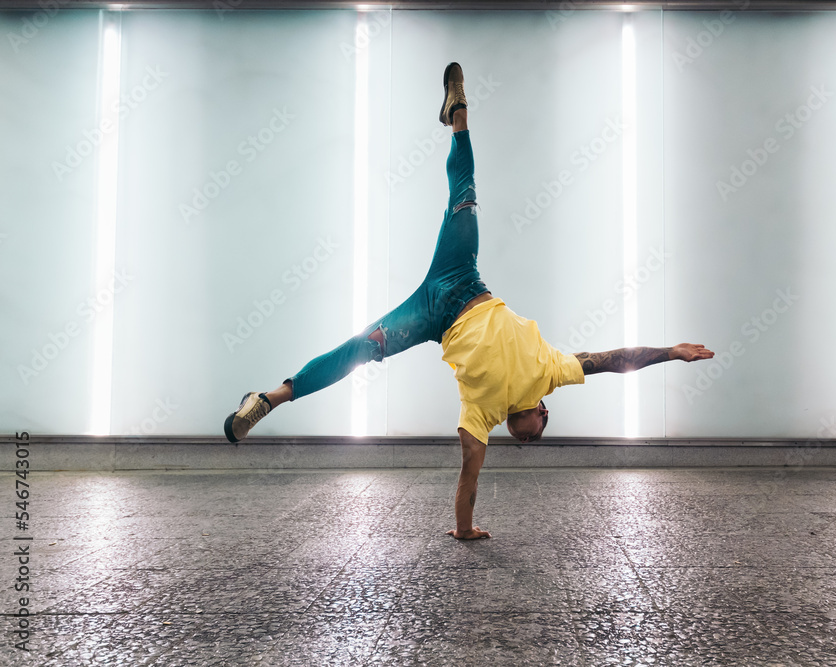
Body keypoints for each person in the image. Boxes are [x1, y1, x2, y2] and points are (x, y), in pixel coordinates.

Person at [223, 62, 716, 540]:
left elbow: (469, 479)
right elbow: (613, 361)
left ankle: (267, 399)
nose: (527, 439)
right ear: (541, 409)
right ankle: (458, 117)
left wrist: (464, 529)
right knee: (466, 194)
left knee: (359, 350)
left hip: (428, 318)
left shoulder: (483, 418)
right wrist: (670, 352)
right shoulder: (551, 370)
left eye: (523, 441)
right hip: (462, 276)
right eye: (537, 433)